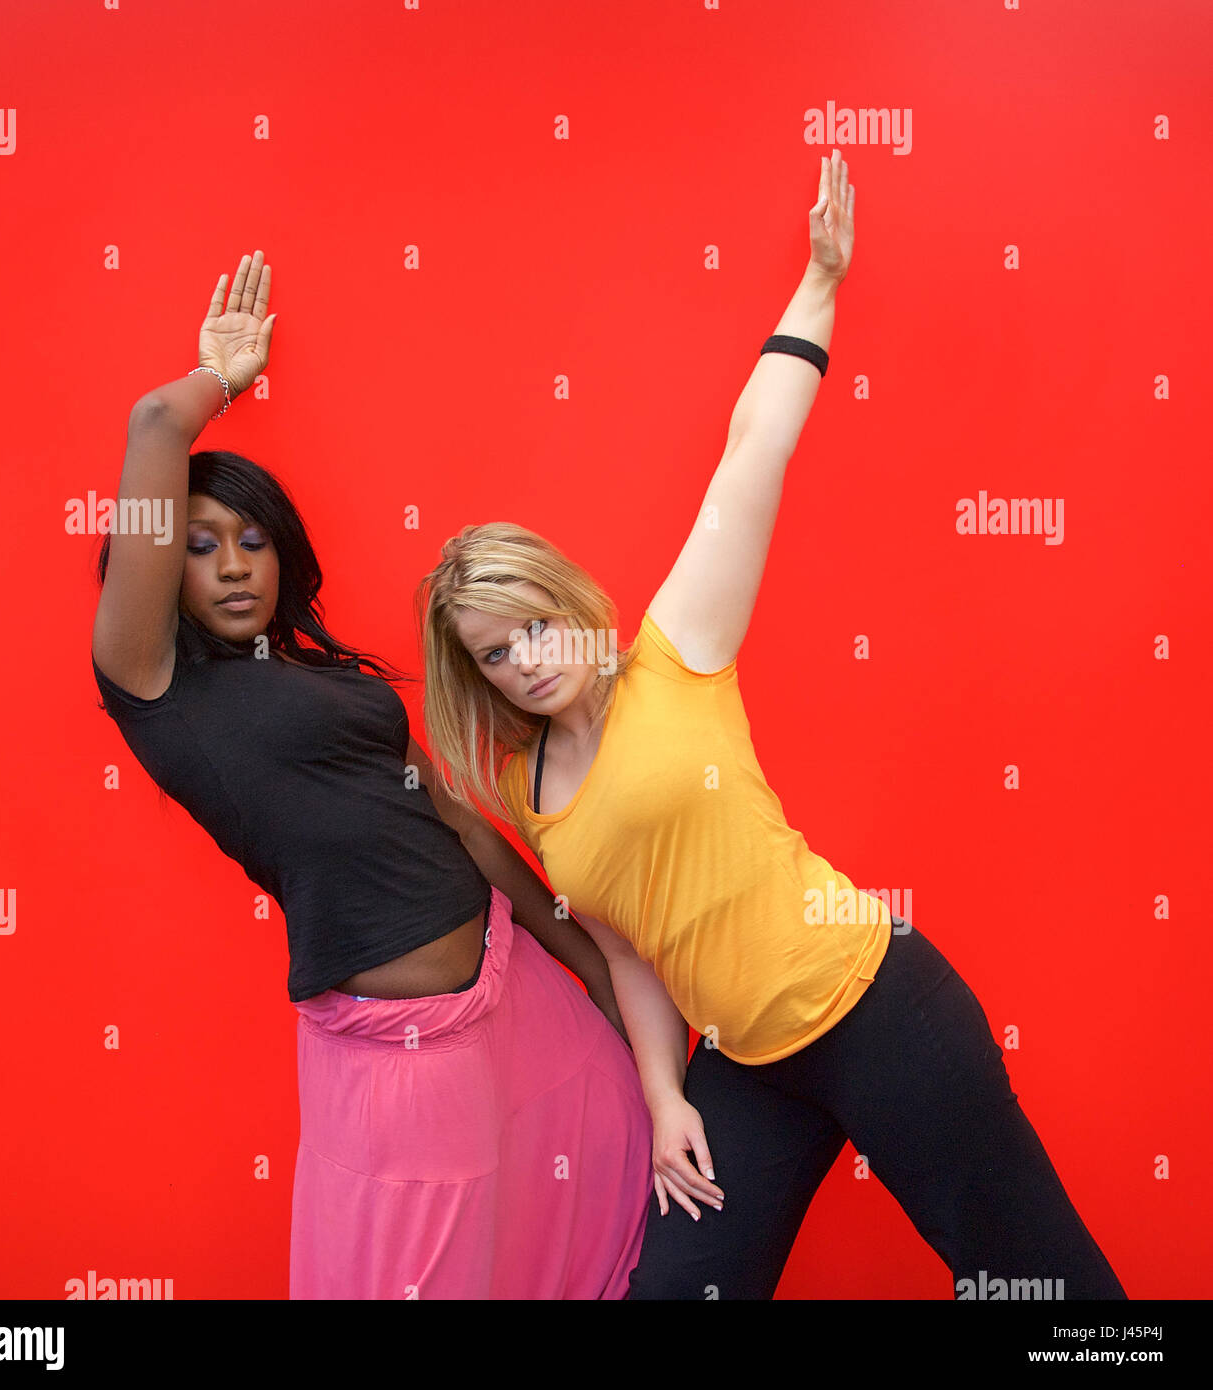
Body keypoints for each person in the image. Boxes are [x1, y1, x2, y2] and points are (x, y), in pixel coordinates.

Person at [415, 152, 1128, 1300]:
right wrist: (664, 1098)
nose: (527, 661)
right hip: (746, 1062)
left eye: (535, 626)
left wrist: (819, 287)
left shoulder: (673, 652)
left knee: (1038, 1291)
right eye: (495, 652)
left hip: (875, 1004)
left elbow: (751, 455)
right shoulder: (530, 785)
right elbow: (627, 946)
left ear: (570, 602)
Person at [89, 249, 652, 1299]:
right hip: (399, 1048)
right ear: (160, 576)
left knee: (595, 1181)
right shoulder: (155, 687)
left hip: (511, 987)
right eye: (200, 547)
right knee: (420, 1272)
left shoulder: (327, 678)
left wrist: (588, 963)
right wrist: (223, 376)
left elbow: (461, 823)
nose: (233, 564)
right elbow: (153, 427)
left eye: (252, 541)